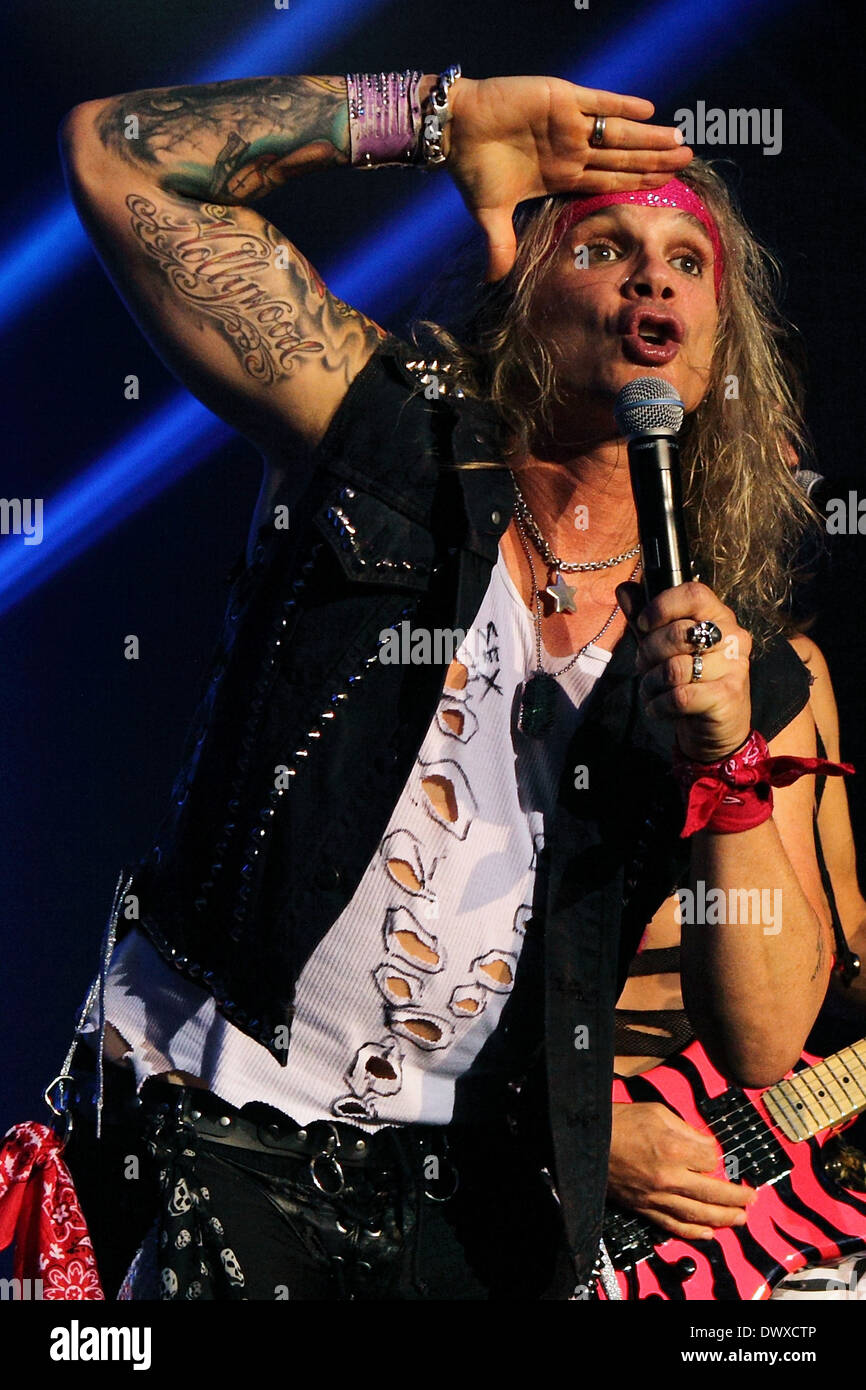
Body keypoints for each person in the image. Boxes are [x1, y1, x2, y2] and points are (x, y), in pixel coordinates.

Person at [51, 68, 844, 1301]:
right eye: (603, 245)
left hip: (462, 1221)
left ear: (713, 355)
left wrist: (729, 765)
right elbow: (119, 151)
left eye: (688, 263)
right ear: (524, 287)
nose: (652, 279)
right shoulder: (385, 439)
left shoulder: (753, 671)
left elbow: (760, 1040)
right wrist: (427, 117)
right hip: (203, 1131)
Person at [608, 631, 866, 1298]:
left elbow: (848, 933)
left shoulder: (793, 669)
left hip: (754, 1121)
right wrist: (579, 1133)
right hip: (565, 1117)